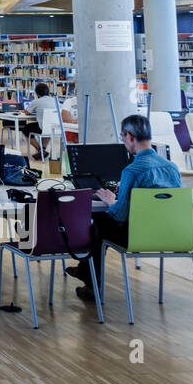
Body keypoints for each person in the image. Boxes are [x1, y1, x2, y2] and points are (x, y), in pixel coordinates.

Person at [69, 113, 184, 303]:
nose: (123, 141)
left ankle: (90, 281)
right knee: (102, 223)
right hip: (170, 234)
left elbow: (120, 215)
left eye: (123, 137)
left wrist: (111, 200)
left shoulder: (132, 170)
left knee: (98, 221)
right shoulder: (172, 168)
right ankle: (86, 273)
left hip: (138, 236)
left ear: (130, 136)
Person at [21, 83, 57, 159]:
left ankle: (40, 150)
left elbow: (27, 112)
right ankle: (43, 150)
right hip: (55, 128)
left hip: (43, 127)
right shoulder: (56, 101)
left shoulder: (36, 101)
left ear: (37, 93)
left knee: (26, 129)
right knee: (47, 127)